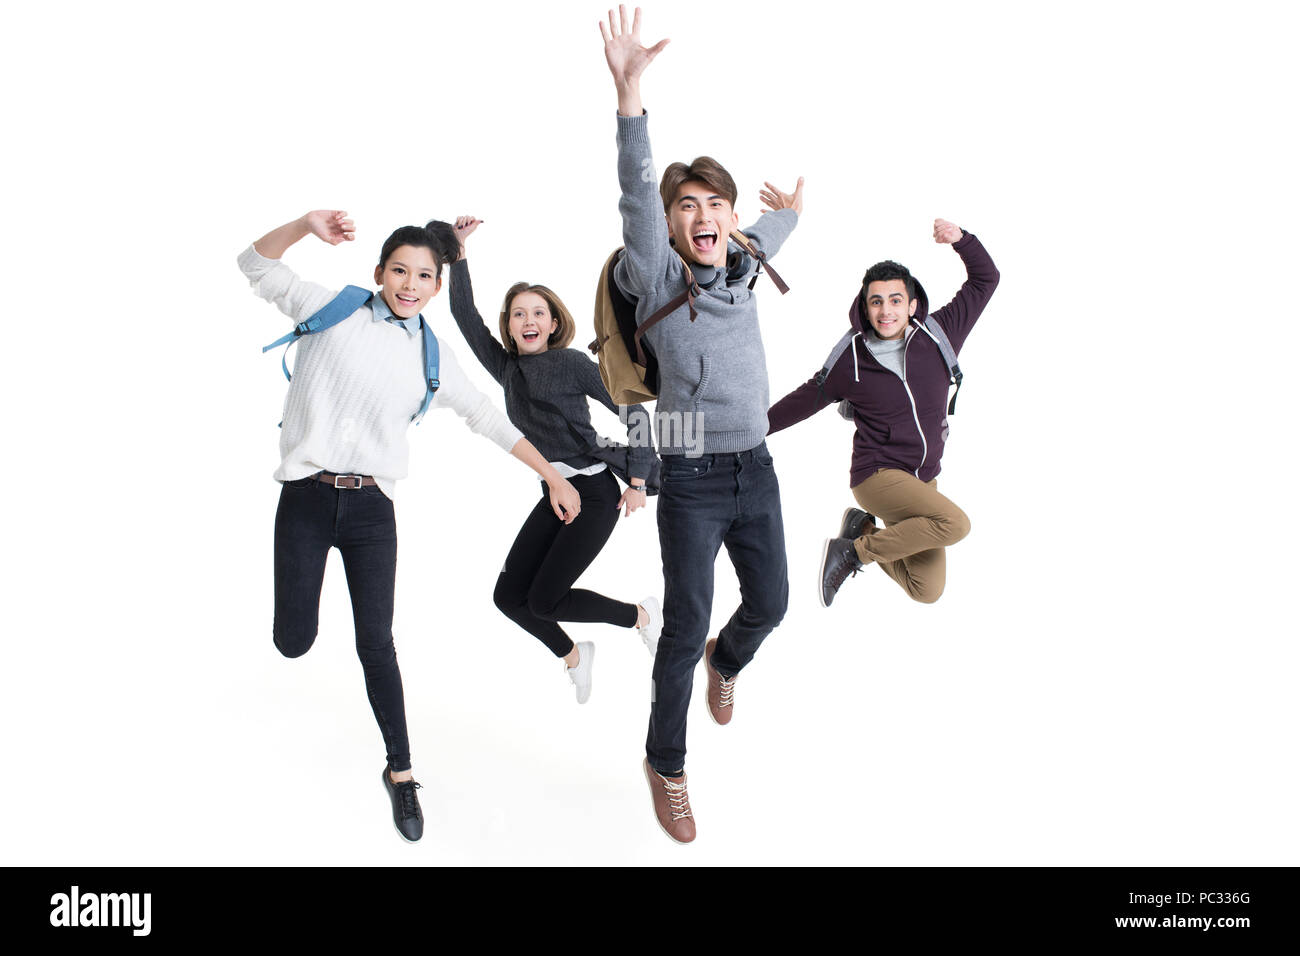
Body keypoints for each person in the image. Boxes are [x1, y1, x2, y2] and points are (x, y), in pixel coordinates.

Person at [238, 209, 581, 843]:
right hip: (306, 502)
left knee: (377, 642)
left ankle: (400, 772)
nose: (410, 284)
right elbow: (254, 265)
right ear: (379, 272)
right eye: (400, 270)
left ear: (436, 284)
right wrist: (306, 225)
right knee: (293, 641)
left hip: (372, 512)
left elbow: (487, 417)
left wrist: (555, 476)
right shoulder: (332, 306)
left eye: (425, 275)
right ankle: (299, 623)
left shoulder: (432, 351)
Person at [600, 5, 804, 844]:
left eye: (715, 203)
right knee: (683, 621)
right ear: (672, 224)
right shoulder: (653, 274)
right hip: (690, 475)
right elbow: (634, 190)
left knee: (774, 604)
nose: (706, 215)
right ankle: (667, 764)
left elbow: (773, 230)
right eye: (689, 206)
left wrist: (790, 211)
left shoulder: (745, 259)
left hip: (755, 467)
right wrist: (631, 91)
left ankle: (730, 661)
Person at [445, 215, 663, 703]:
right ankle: (573, 654)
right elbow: (465, 319)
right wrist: (458, 256)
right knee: (509, 599)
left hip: (593, 490)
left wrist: (639, 481)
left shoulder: (571, 364)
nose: (528, 321)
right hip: (555, 490)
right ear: (509, 326)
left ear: (554, 322)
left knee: (544, 600)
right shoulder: (506, 368)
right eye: (518, 314)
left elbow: (632, 408)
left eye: (537, 313)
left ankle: (642, 615)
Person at [767, 219, 1000, 607]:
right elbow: (804, 400)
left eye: (895, 300)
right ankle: (854, 552)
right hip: (877, 476)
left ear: (912, 305)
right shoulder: (850, 359)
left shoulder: (940, 335)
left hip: (923, 480)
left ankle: (861, 531)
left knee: (926, 589)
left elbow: (985, 279)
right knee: (955, 524)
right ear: (865, 306)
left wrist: (962, 240)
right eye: (876, 301)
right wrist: (750, 427)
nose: (886, 311)